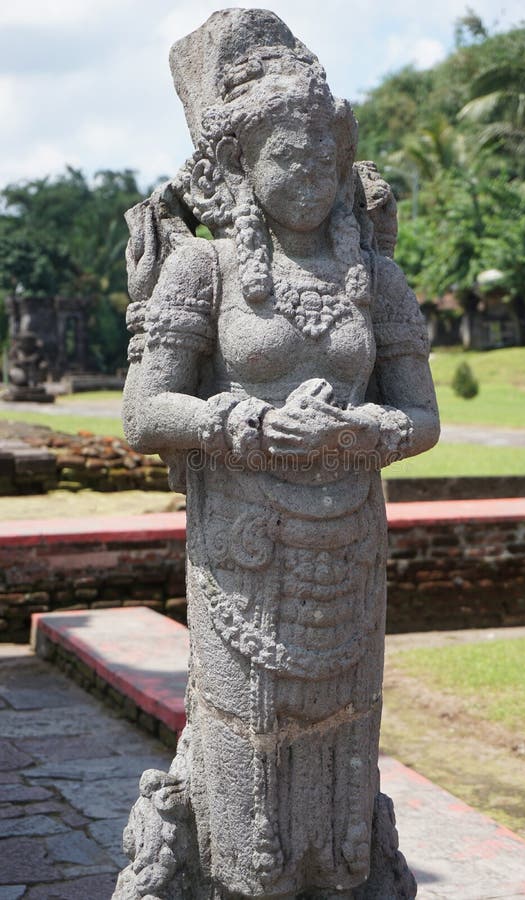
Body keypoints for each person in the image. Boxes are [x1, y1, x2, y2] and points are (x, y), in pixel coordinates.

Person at [116, 10, 438, 899]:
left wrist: (369, 431)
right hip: (244, 549)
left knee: (345, 739)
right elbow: (144, 412)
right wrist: (249, 425)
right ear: (240, 165)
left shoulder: (375, 278)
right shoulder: (205, 269)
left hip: (350, 546)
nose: (309, 178)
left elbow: (422, 416)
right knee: (243, 746)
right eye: (287, 158)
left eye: (324, 162)